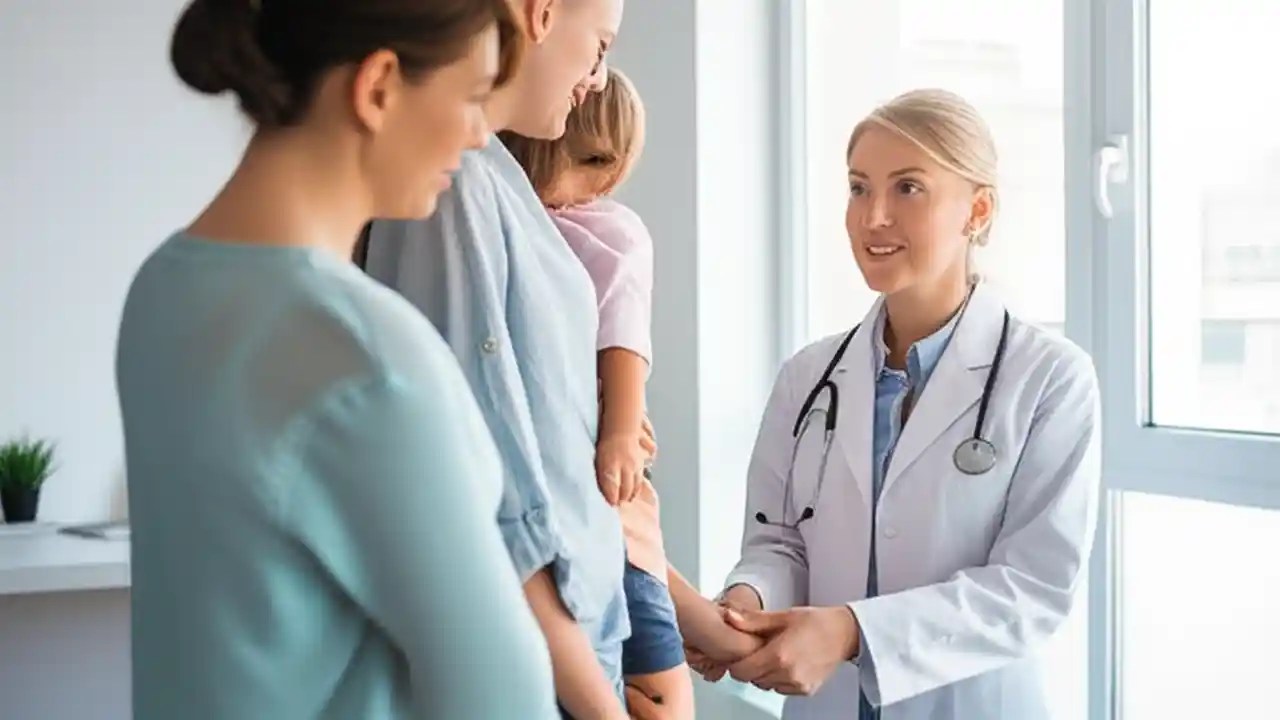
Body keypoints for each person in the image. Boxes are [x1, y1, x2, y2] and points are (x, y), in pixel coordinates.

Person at [116, 2, 557, 719]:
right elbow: (502, 699)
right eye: (473, 95)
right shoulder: (363, 351)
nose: (480, 132)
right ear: (378, 86)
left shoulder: (162, 288)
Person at [687, 88, 1103, 720]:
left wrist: (850, 631)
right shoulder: (808, 377)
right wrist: (746, 603)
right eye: (858, 188)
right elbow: (779, 542)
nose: (872, 216)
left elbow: (1032, 588)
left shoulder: (1050, 379)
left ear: (978, 210)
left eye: (908, 188)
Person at [357, 2, 668, 718]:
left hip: (568, 645)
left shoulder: (496, 183)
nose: (599, 78)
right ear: (541, 13)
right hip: (537, 661)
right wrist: (599, 706)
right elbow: (489, 499)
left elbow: (555, 470)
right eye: (600, 45)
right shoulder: (457, 184)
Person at [498, 66, 767, 719]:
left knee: (625, 542)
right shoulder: (508, 215)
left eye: (610, 167)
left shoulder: (607, 230)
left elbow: (624, 339)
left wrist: (621, 425)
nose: (604, 183)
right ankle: (698, 627)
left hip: (596, 457)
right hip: (541, 466)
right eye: (592, 163)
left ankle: (700, 630)